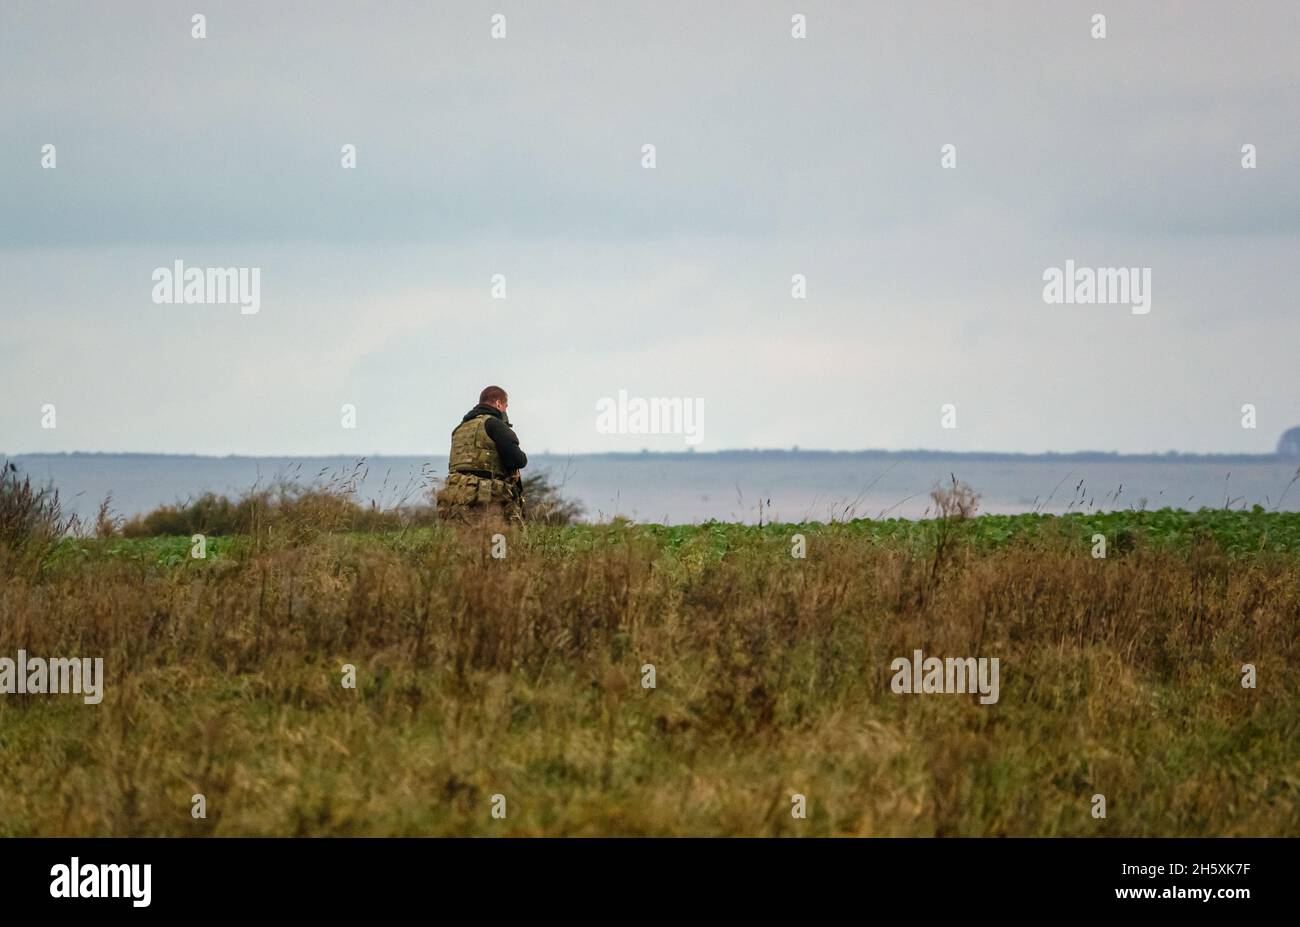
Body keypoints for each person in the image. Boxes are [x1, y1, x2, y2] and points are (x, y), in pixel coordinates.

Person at [436, 385, 528, 523]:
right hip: (486, 501)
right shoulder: (494, 424)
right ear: (498, 403)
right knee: (498, 543)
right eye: (505, 406)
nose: (505, 410)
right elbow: (518, 460)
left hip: (456, 499)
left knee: (463, 543)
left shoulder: (460, 428)